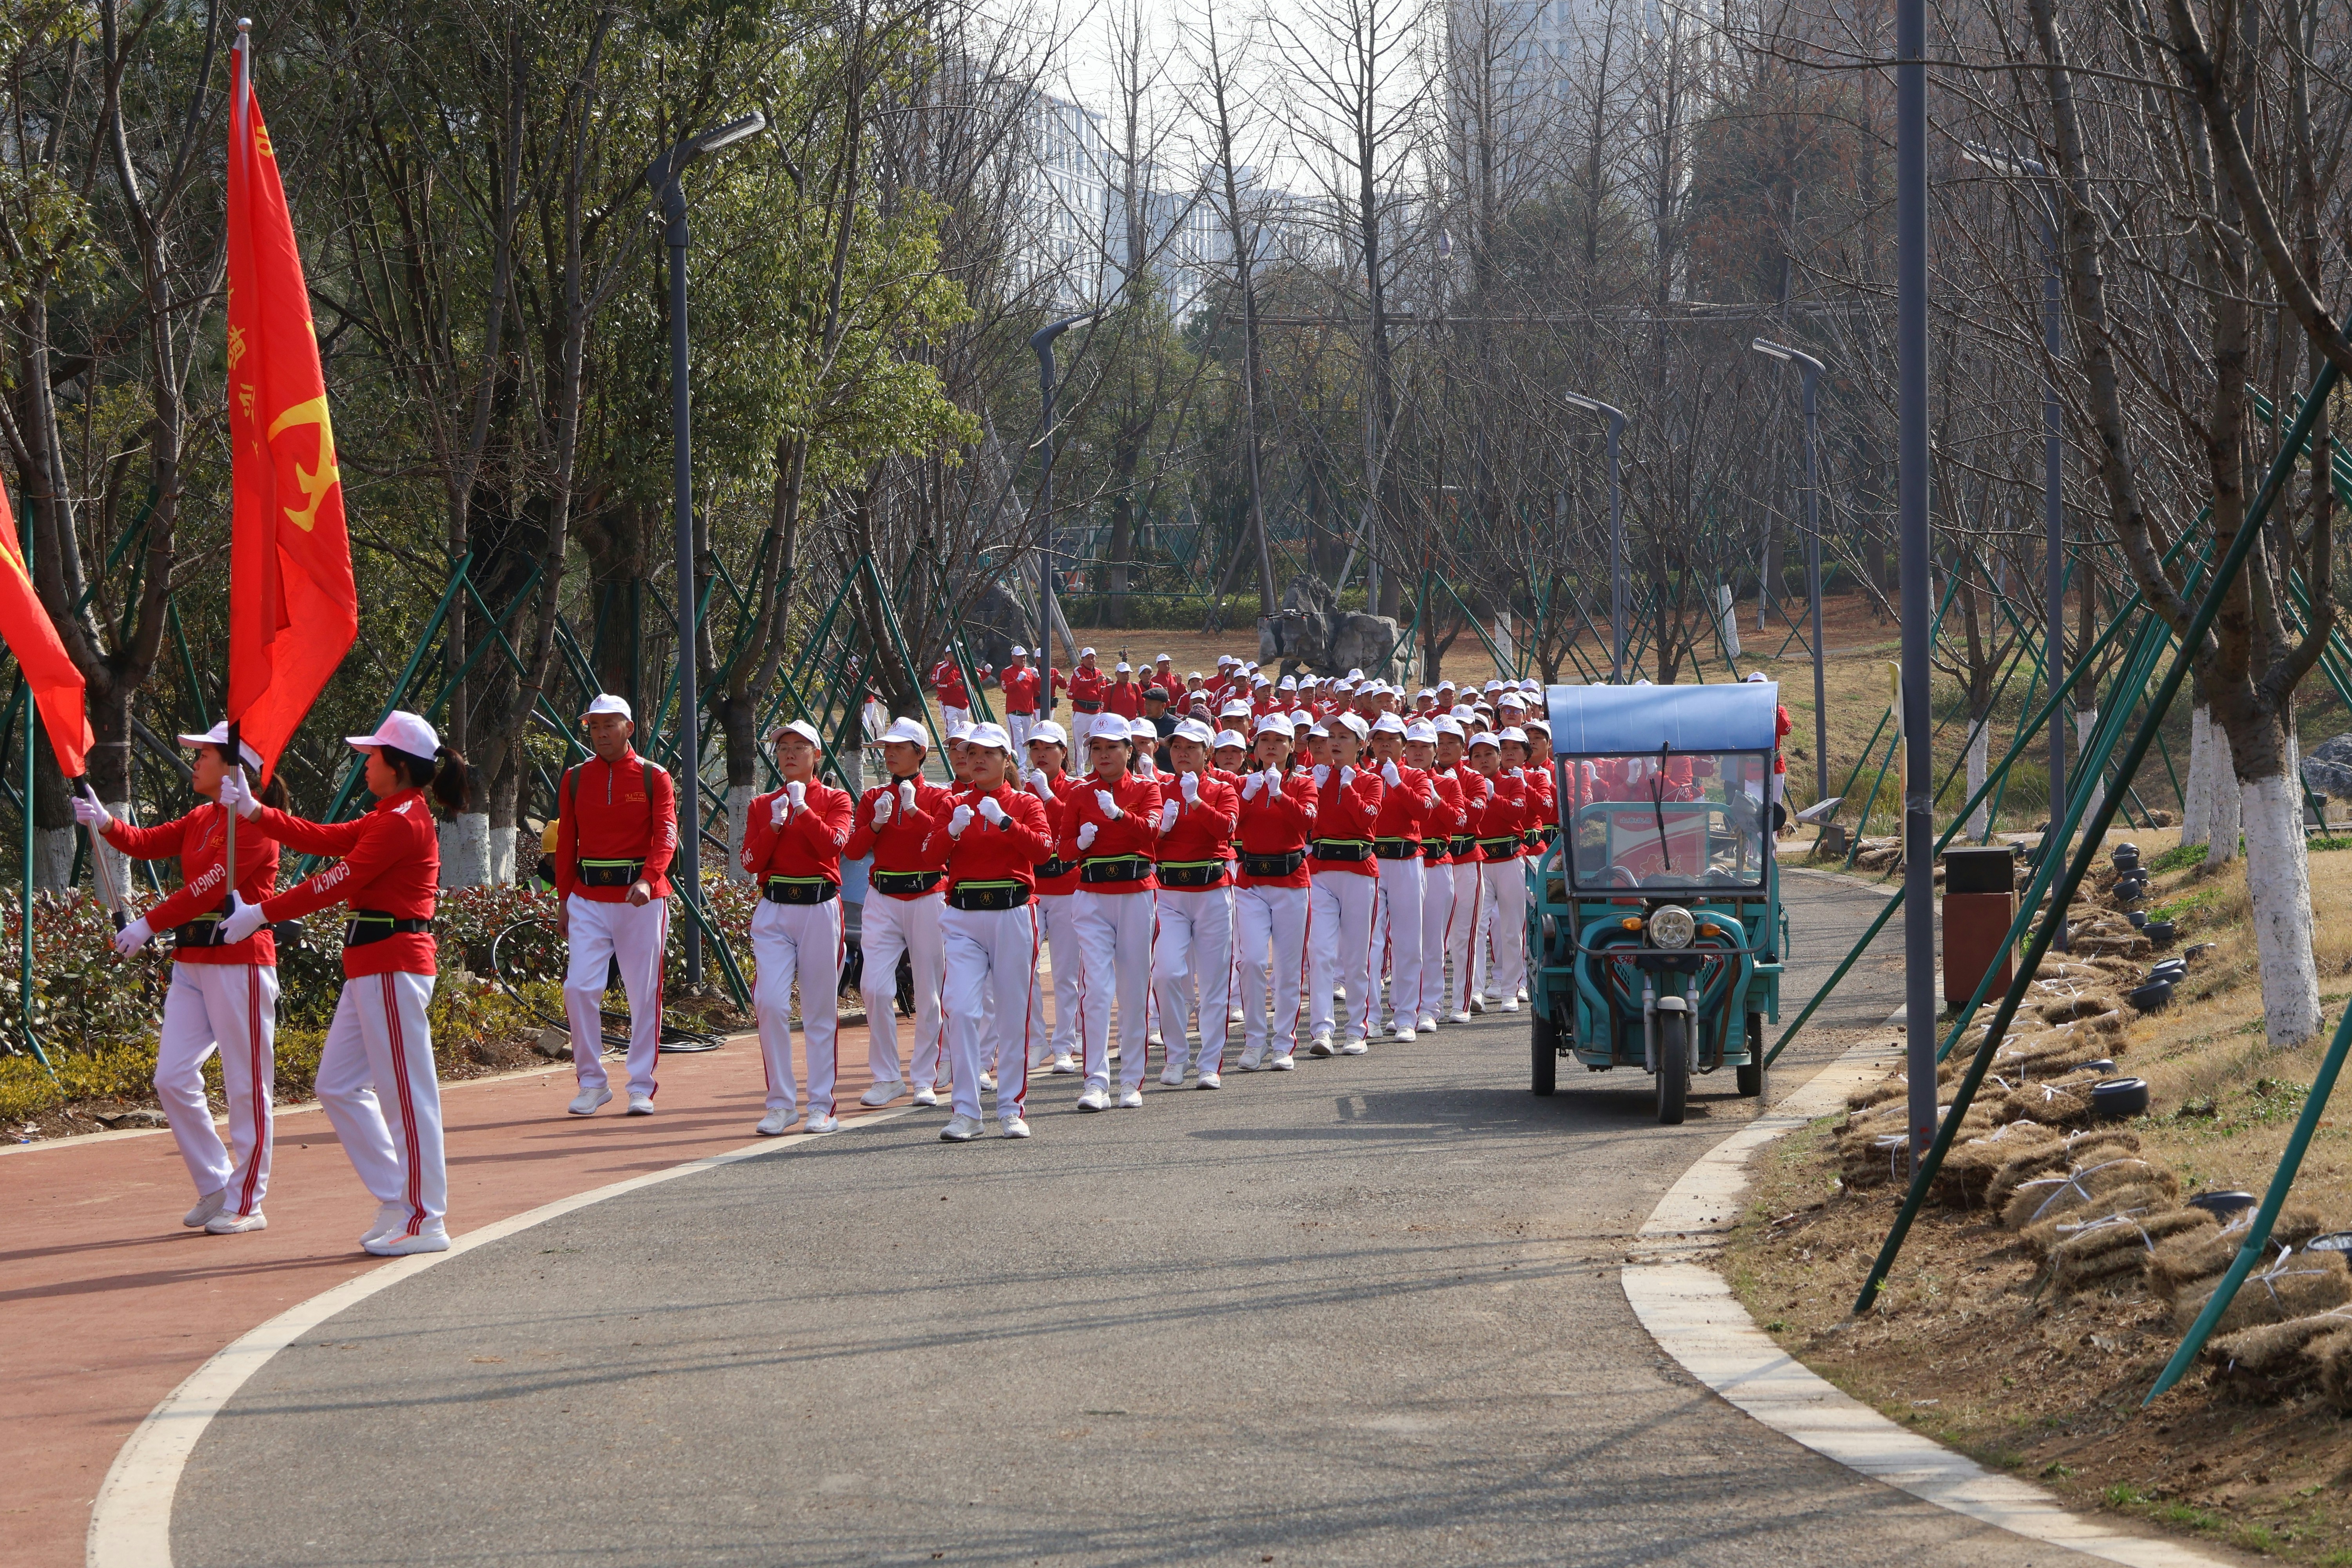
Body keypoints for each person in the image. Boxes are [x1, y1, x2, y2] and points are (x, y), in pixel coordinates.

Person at [217, 712, 465, 1255]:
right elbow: (327, 839)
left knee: (407, 1096)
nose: (366, 763)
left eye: (373, 756)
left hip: (394, 964)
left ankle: (426, 1219)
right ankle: (399, 1201)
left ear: (398, 767)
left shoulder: (403, 820)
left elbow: (338, 879)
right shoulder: (390, 812)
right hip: (371, 967)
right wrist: (257, 812)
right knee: (337, 1085)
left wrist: (261, 912)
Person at [77, 724, 284, 1235]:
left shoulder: (255, 826)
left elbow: (210, 887)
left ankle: (249, 1202)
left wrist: (148, 924)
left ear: (236, 768)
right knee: (171, 1077)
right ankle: (216, 1184)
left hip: (240, 963)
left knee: (246, 1087)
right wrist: (105, 822)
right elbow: (146, 843)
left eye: (204, 755)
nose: (194, 762)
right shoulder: (201, 817)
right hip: (192, 962)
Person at [927, 722, 1053, 1141]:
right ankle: (965, 1111)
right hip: (963, 916)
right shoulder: (953, 804)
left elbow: (1042, 851)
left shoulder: (1025, 803)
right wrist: (951, 830)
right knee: (961, 1009)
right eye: (971, 753)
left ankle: (1011, 1107)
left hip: (1013, 912)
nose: (976, 760)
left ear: (1006, 760)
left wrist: (1004, 823)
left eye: (988, 753)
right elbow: (928, 858)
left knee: (1013, 1014)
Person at [553, 695, 677, 1117]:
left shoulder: (653, 776)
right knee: (578, 988)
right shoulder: (573, 778)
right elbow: (567, 843)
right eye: (594, 727)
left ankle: (641, 1085)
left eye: (609, 725)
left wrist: (649, 878)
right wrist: (564, 899)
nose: (601, 734)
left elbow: (666, 835)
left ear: (629, 727)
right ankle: (592, 1083)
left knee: (644, 994)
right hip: (587, 897)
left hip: (639, 900)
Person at [740, 719, 854, 1136]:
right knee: (769, 1003)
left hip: (820, 907)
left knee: (820, 1012)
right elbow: (751, 861)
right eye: (783, 746)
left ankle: (821, 1106)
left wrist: (803, 809)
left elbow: (832, 846)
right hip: (774, 909)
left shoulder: (837, 799)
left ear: (816, 755)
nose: (789, 753)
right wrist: (774, 823)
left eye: (800, 746)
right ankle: (781, 1103)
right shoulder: (761, 805)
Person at [843, 717, 956, 1106]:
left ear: (920, 752)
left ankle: (925, 1077)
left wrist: (915, 812)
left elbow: (943, 845)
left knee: (929, 992)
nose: (890, 753)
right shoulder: (873, 797)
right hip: (883, 896)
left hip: (928, 895)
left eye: (898, 747)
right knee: (873, 987)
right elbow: (854, 851)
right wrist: (875, 824)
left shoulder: (941, 798)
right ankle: (887, 1077)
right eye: (886, 748)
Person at [1065, 715, 1161, 1109]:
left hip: (1136, 892)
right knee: (1097, 991)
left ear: (1129, 750)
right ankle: (1096, 1082)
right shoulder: (1078, 793)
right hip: (1092, 893)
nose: (1104, 755)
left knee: (1134, 989)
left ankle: (1131, 1081)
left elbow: (1152, 833)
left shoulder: (1147, 788)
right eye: (1097, 748)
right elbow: (1064, 851)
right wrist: (1082, 841)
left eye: (1112, 747)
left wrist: (1121, 815)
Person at [1150, 719, 1238, 1088]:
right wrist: (1164, 827)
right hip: (1170, 894)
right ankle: (1176, 1055)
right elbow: (1146, 842)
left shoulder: (1222, 788)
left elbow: (1227, 830)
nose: (1182, 754)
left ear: (1208, 754)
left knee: (1215, 983)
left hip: (1212, 891)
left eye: (1191, 748)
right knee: (1166, 973)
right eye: (1176, 747)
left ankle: (1210, 1064)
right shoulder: (1157, 790)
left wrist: (1196, 802)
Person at [1232, 715, 1313, 1071]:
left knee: (1287, 966)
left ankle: (1284, 1043)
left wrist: (1279, 794)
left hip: (1291, 880)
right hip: (1250, 881)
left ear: (1291, 746)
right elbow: (1232, 824)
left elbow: (1308, 824)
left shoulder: (1305, 783)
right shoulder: (1241, 784)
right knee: (1250, 961)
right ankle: (1254, 1041)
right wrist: (1249, 794)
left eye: (1279, 740)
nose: (1271, 746)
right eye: (1264, 739)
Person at [1307, 713, 1385, 1055]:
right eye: (1331, 736)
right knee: (1320, 953)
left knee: (1356, 957)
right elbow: (1307, 822)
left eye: (1344, 737)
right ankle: (1321, 1030)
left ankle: (1358, 1028)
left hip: (1358, 871)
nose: (1334, 743)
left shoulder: (1371, 781)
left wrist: (1347, 786)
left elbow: (1366, 818)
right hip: (1322, 870)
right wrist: (1320, 787)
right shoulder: (1314, 778)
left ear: (1361, 744)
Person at [1365, 714, 1438, 1042]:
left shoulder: (1416, 776)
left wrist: (1397, 783)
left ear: (1403, 746)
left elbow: (1424, 812)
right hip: (1370, 861)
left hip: (1407, 859)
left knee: (1409, 942)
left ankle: (1407, 1015)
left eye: (1392, 739)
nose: (1384, 745)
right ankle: (1370, 1018)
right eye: (1379, 739)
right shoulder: (1363, 776)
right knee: (1371, 943)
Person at [1021, 722, 1083, 1076]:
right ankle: (1035, 1041)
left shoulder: (1075, 787)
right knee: (1024, 971)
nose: (1041, 754)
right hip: (1033, 890)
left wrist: (1048, 797)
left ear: (1063, 752)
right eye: (1035, 748)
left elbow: (1069, 826)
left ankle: (1065, 1044)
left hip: (1069, 888)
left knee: (1065, 973)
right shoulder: (1020, 790)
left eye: (1049, 748)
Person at [1405, 721, 1465, 1032]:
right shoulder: (1395, 779)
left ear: (1434, 752)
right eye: (1412, 747)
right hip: (1402, 865)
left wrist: (1437, 798)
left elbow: (1460, 820)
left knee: (1432, 943)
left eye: (1424, 748)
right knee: (1401, 942)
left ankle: (1430, 1007)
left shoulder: (1447, 783)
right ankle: (1403, 1008)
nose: (1418, 753)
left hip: (1437, 863)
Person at [1467, 730, 1532, 1014]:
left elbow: (1518, 813)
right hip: (1479, 861)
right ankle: (1476, 990)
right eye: (1477, 756)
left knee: (1511, 928)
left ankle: (1511, 989)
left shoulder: (1513, 782)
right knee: (1477, 929)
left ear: (1498, 757)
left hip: (1509, 858)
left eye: (1489, 754)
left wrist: (1495, 798)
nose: (1483, 761)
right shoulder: (1466, 784)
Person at [1001, 646, 1043, 755]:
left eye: (1024, 657)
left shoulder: (1030, 672)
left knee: (1024, 741)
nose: (1023, 659)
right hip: (1015, 713)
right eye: (1020, 657)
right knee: (1018, 741)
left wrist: (1037, 677)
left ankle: (1022, 764)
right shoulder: (1007, 672)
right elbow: (1006, 689)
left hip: (1028, 712)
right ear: (1013, 658)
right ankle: (1021, 765)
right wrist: (1018, 680)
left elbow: (1038, 690)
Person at [1067, 647, 1107, 745]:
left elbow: (1103, 687)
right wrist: (1096, 681)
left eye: (1093, 658)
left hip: (1096, 711)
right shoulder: (1078, 671)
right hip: (1081, 711)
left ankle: (1091, 760)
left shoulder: (1098, 672)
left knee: (1094, 741)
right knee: (1079, 743)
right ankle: (1080, 761)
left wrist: (1104, 688)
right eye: (1088, 658)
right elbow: (1082, 682)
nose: (1091, 660)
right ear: (1083, 659)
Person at [932, 654, 971, 731]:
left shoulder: (965, 666)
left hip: (965, 704)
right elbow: (938, 686)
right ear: (946, 655)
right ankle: (952, 744)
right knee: (952, 729)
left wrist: (983, 674)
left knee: (964, 729)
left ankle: (962, 744)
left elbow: (977, 679)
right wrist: (954, 685)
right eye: (952, 653)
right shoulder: (941, 668)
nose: (956, 655)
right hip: (949, 704)